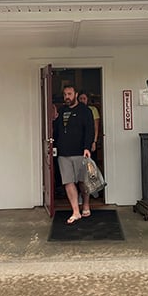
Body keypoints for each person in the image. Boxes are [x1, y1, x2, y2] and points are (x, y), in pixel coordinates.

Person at [53, 84, 95, 224]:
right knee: (68, 182)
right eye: (65, 94)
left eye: (69, 94)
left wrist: (87, 147)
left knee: (83, 182)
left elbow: (90, 130)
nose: (67, 97)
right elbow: (56, 131)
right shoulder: (61, 110)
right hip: (63, 153)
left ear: (75, 94)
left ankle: (86, 205)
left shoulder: (85, 111)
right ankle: (75, 211)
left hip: (80, 152)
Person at [78, 92, 100, 158]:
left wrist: (94, 141)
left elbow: (96, 127)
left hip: (90, 139)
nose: (82, 100)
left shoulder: (93, 109)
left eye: (84, 98)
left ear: (87, 99)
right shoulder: (76, 110)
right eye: (80, 98)